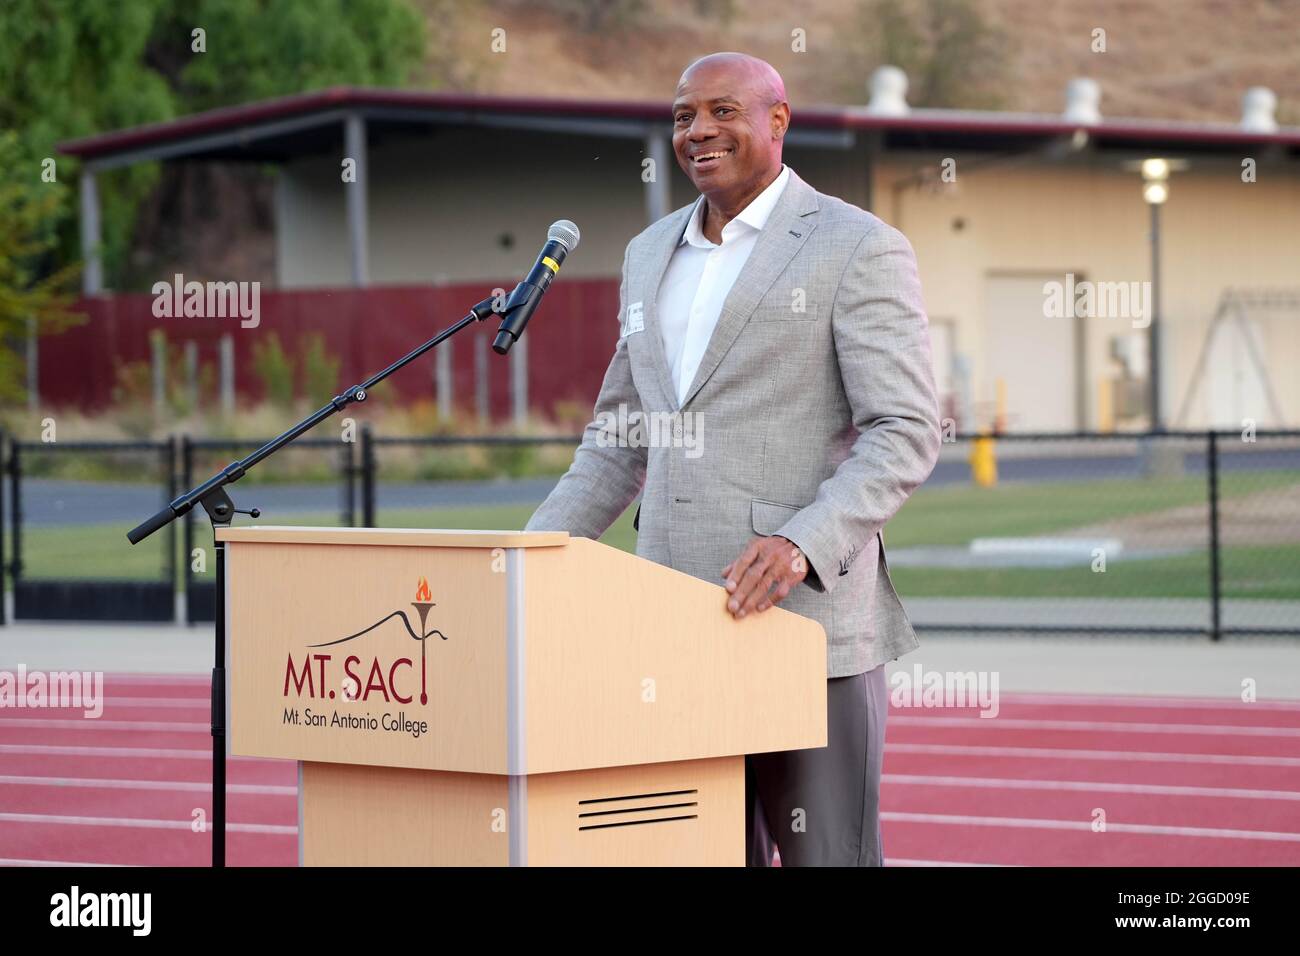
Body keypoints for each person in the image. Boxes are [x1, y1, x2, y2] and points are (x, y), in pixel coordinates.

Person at [525, 51, 940, 866]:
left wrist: (802, 544)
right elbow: (619, 437)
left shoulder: (858, 246)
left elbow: (906, 427)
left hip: (807, 632)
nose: (699, 130)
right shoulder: (648, 256)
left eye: (723, 110)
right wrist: (528, 558)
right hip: (672, 633)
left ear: (777, 121)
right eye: (683, 116)